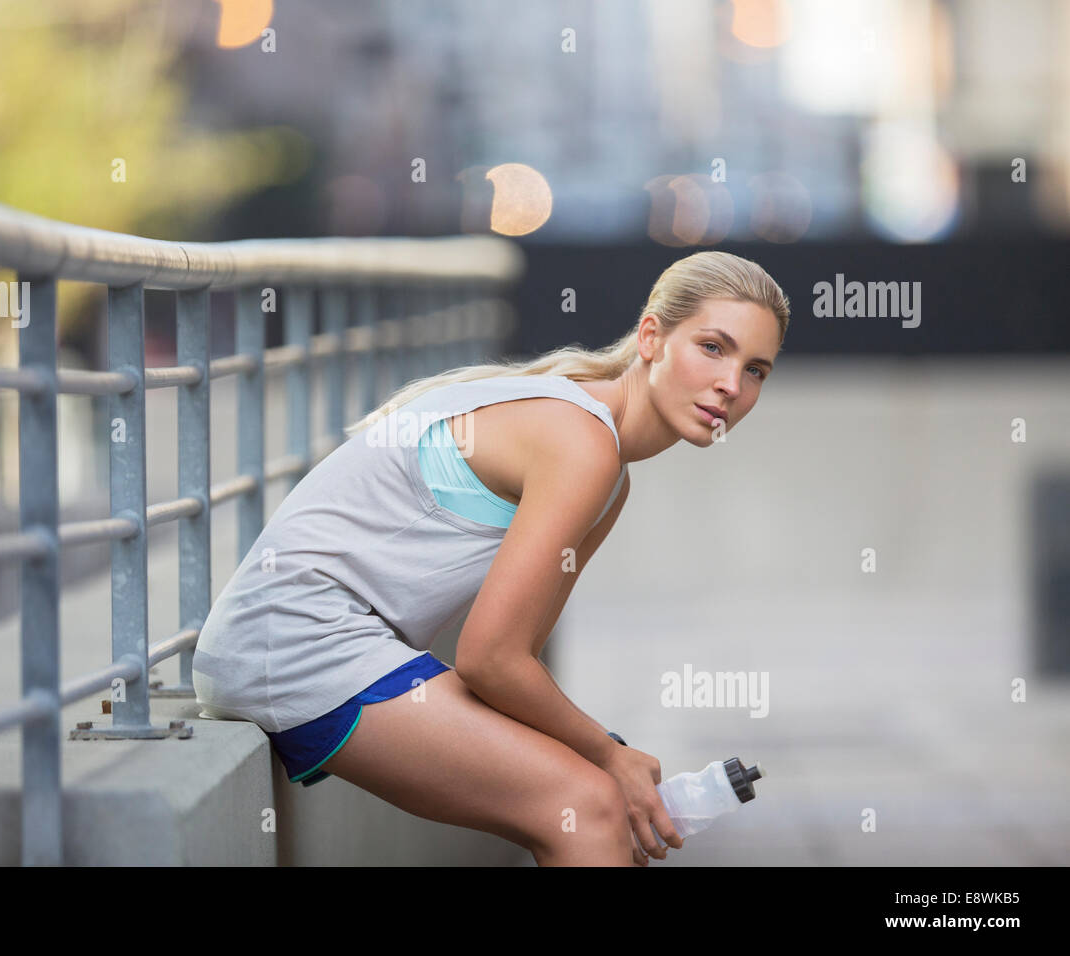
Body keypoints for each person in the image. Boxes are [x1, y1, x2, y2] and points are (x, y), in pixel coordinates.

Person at [192, 250, 789, 866]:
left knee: (598, 803)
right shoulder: (582, 444)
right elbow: (488, 658)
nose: (732, 385)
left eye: (757, 370)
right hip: (294, 642)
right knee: (589, 807)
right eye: (713, 348)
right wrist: (610, 754)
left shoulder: (609, 474)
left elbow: (516, 656)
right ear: (651, 337)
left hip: (329, 643)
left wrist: (607, 759)